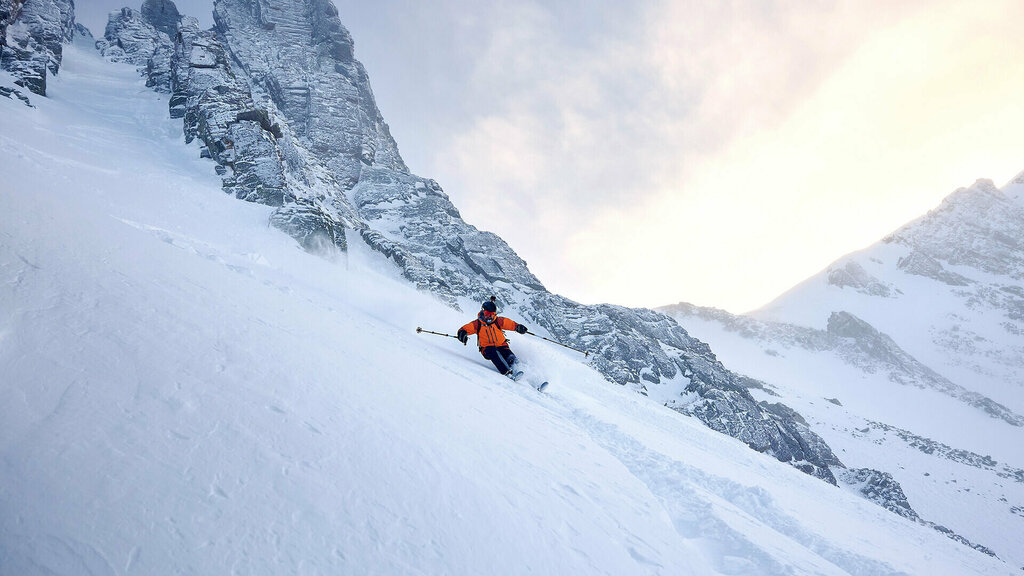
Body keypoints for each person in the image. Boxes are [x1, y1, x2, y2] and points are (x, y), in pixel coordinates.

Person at [457, 299, 529, 376]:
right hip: (487, 348)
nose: (489, 317)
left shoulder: (498, 321)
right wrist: (462, 333)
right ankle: (507, 373)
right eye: (487, 314)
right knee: (493, 352)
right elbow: (465, 329)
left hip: (502, 345)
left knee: (510, 357)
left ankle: (524, 374)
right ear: (483, 312)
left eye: (492, 314)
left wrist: (518, 327)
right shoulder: (478, 324)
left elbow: (510, 324)